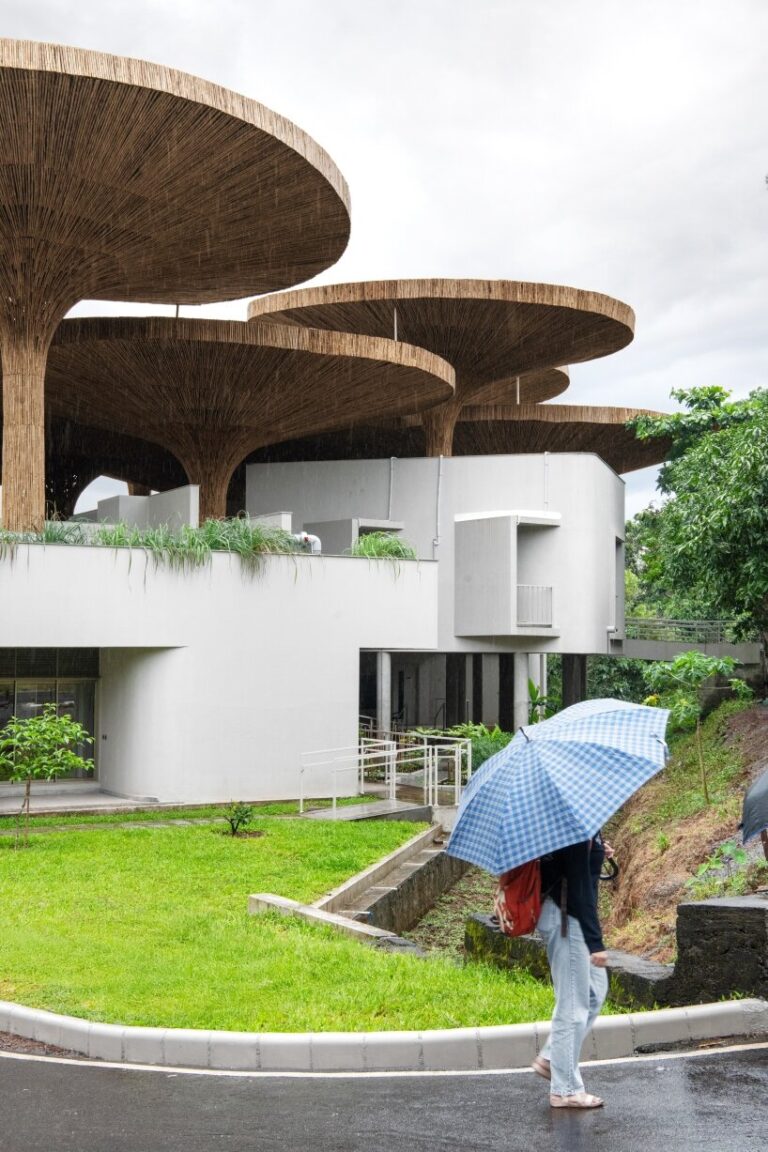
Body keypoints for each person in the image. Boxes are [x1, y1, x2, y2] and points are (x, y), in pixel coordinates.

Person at [531, 832, 613, 1109]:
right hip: (567, 918)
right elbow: (578, 887)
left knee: (594, 992)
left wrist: (599, 851)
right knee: (573, 1005)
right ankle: (565, 1090)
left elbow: (574, 866)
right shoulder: (574, 828)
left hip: (567, 915)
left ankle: (553, 1057)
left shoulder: (580, 825)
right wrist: (595, 942)